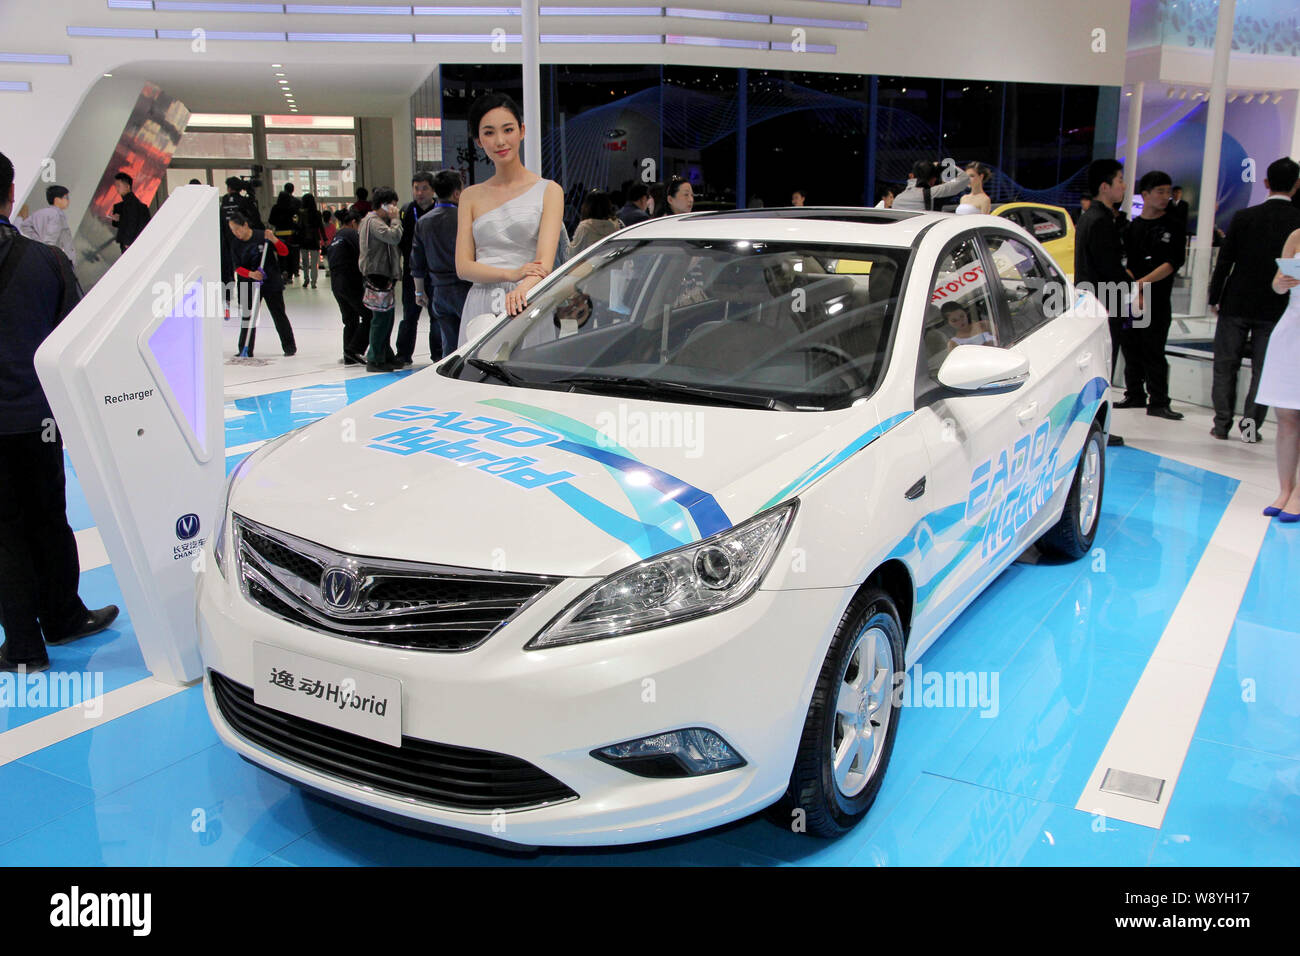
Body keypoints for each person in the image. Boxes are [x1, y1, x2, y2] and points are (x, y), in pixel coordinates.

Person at [0, 151, 119, 672]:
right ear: (11, 195)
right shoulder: (47, 261)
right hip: (37, 419)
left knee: (4, 531)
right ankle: (63, 617)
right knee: (49, 518)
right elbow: (73, 341)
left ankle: (23, 645)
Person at [455, 93, 563, 344]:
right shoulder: (470, 196)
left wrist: (522, 287)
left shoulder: (549, 190)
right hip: (480, 303)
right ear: (479, 141)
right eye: (489, 133)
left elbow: (543, 264)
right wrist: (511, 274)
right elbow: (463, 267)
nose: (500, 141)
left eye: (508, 129)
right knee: (477, 381)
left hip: (527, 298)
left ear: (522, 131)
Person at [1207, 157, 1300, 442]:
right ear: (1297, 185)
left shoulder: (1243, 217)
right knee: (1262, 369)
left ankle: (1221, 425)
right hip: (1276, 307)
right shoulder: (1298, 221)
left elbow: (1225, 261)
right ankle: (1250, 429)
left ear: (1266, 183)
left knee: (1225, 363)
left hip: (1236, 301)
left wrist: (1214, 296)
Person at [1118, 169, 1186, 420]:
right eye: (1160, 192)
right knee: (1130, 345)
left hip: (1156, 298)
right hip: (1131, 296)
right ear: (1145, 194)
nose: (1165, 197)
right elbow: (1124, 259)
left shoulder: (1173, 226)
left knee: (1154, 348)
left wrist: (1143, 284)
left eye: (1168, 192)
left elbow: (1172, 263)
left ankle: (1159, 400)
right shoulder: (1132, 227)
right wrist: (1133, 285)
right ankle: (1134, 393)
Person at [1075, 158, 1132, 448]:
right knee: (1103, 365)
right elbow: (1109, 267)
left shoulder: (1091, 217)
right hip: (1104, 301)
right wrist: (1130, 279)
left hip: (1093, 300)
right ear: (1104, 186)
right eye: (1120, 180)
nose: (1124, 186)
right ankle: (1099, 425)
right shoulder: (1100, 221)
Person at [1258, 229, 1300, 519]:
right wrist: (1281, 283)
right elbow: (1276, 285)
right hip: (1292, 329)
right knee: (1285, 416)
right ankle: (1285, 489)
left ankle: (1298, 495)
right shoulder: (1296, 235)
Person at [412, 169, 472, 362]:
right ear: (457, 193)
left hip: (439, 291)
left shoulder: (423, 222)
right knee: (471, 342)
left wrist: (419, 292)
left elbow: (417, 261)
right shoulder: (464, 219)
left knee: (449, 346)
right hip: (465, 288)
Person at [227, 212, 297, 358]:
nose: (236, 233)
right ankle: (244, 349)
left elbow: (284, 252)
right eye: (232, 230)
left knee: (278, 314)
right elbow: (237, 267)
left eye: (237, 229)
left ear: (245, 225)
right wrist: (251, 274)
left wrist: (274, 239)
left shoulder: (262, 236)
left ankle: (289, 347)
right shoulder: (235, 244)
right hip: (248, 283)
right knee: (247, 316)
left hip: (270, 281)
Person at [393, 171, 437, 367]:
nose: (420, 193)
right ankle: (403, 354)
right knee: (409, 315)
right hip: (412, 271)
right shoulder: (406, 211)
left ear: (433, 190)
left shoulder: (441, 209)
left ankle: (438, 354)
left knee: (437, 316)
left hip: (436, 272)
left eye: (424, 188)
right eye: (416, 188)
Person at [358, 185, 403, 371]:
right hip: (377, 275)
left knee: (387, 317)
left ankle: (385, 354)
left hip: (382, 275)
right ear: (384, 205)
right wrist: (395, 220)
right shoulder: (374, 222)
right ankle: (375, 358)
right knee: (381, 319)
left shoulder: (373, 221)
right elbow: (394, 237)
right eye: (392, 205)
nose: (395, 209)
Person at [324, 208, 369, 365]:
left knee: (350, 319)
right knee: (369, 315)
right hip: (350, 281)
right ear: (353, 222)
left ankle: (348, 354)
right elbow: (363, 254)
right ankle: (355, 349)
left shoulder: (336, 237)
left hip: (336, 284)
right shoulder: (351, 234)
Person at [17, 184, 75, 262]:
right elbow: (50, 239)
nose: (68, 201)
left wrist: (37, 239)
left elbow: (25, 226)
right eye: (66, 198)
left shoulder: (41, 212)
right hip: (49, 258)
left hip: (41, 253)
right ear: (57, 200)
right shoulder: (56, 215)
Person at [893, 160, 970, 212]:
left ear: (911, 176)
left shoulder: (897, 199)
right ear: (933, 180)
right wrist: (942, 164)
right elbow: (964, 179)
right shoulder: (933, 193)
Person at [268, 184, 301, 283]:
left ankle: (283, 272)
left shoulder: (275, 208)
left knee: (281, 255)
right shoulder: (292, 208)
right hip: (290, 235)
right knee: (290, 255)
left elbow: (271, 221)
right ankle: (290, 275)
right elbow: (296, 221)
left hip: (279, 234)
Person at [110, 172, 149, 252]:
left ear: (127, 186)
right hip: (129, 242)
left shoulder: (131, 203)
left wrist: (128, 242)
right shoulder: (128, 203)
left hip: (129, 243)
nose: (117, 189)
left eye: (119, 186)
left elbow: (132, 222)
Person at [295, 193, 325, 289]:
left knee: (305, 261)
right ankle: (313, 282)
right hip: (314, 239)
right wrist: (325, 238)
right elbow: (321, 227)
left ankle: (306, 279)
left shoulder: (301, 213)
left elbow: (298, 227)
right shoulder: (317, 213)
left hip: (303, 239)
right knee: (314, 262)